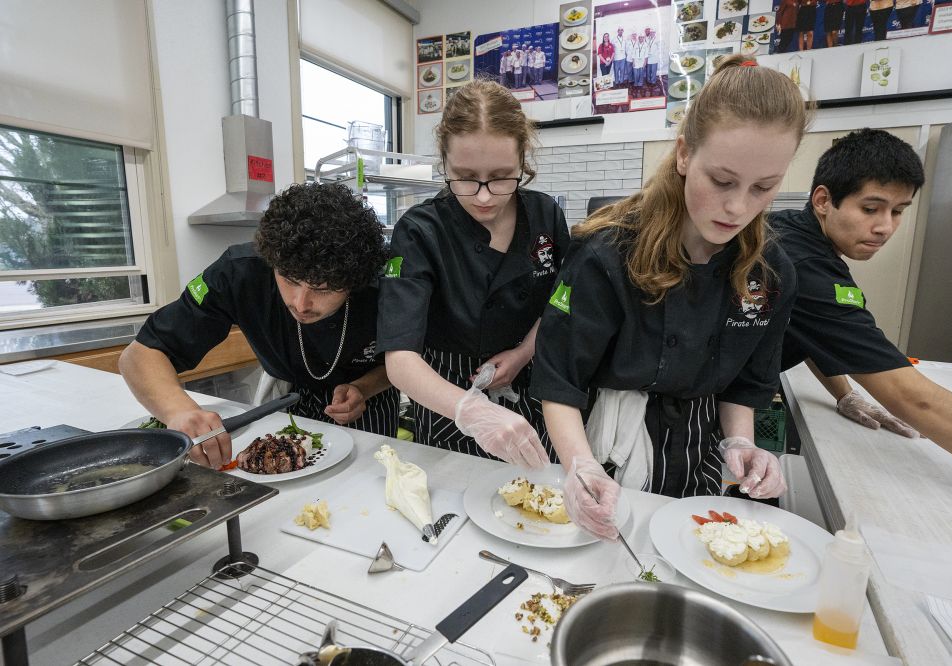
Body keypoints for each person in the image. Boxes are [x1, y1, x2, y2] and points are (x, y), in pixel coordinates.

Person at [531, 56, 810, 540]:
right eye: (721, 181)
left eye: (764, 187)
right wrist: (581, 467)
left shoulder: (770, 273)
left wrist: (741, 442)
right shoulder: (607, 253)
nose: (737, 206)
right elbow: (559, 381)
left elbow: (745, 385)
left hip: (700, 447)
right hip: (602, 442)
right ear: (684, 155)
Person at [771, 128, 952, 479]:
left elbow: (818, 331)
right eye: (870, 209)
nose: (885, 227)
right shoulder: (803, 264)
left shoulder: (793, 230)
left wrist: (845, 394)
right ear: (823, 200)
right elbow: (914, 399)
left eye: (898, 211)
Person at [119, 183, 398, 468]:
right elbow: (139, 355)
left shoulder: (385, 287)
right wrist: (179, 411)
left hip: (369, 398)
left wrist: (363, 388)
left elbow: (408, 356)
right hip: (285, 394)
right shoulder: (239, 272)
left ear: (354, 282)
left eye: (323, 289)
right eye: (289, 280)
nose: (301, 304)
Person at [379, 79, 570, 468]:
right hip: (448, 396)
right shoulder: (420, 231)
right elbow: (400, 360)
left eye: (501, 176)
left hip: (533, 382)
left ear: (523, 160)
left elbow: (561, 299)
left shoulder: (545, 214)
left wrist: (524, 351)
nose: (484, 196)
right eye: (465, 177)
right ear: (444, 162)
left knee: (536, 493)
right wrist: (471, 410)